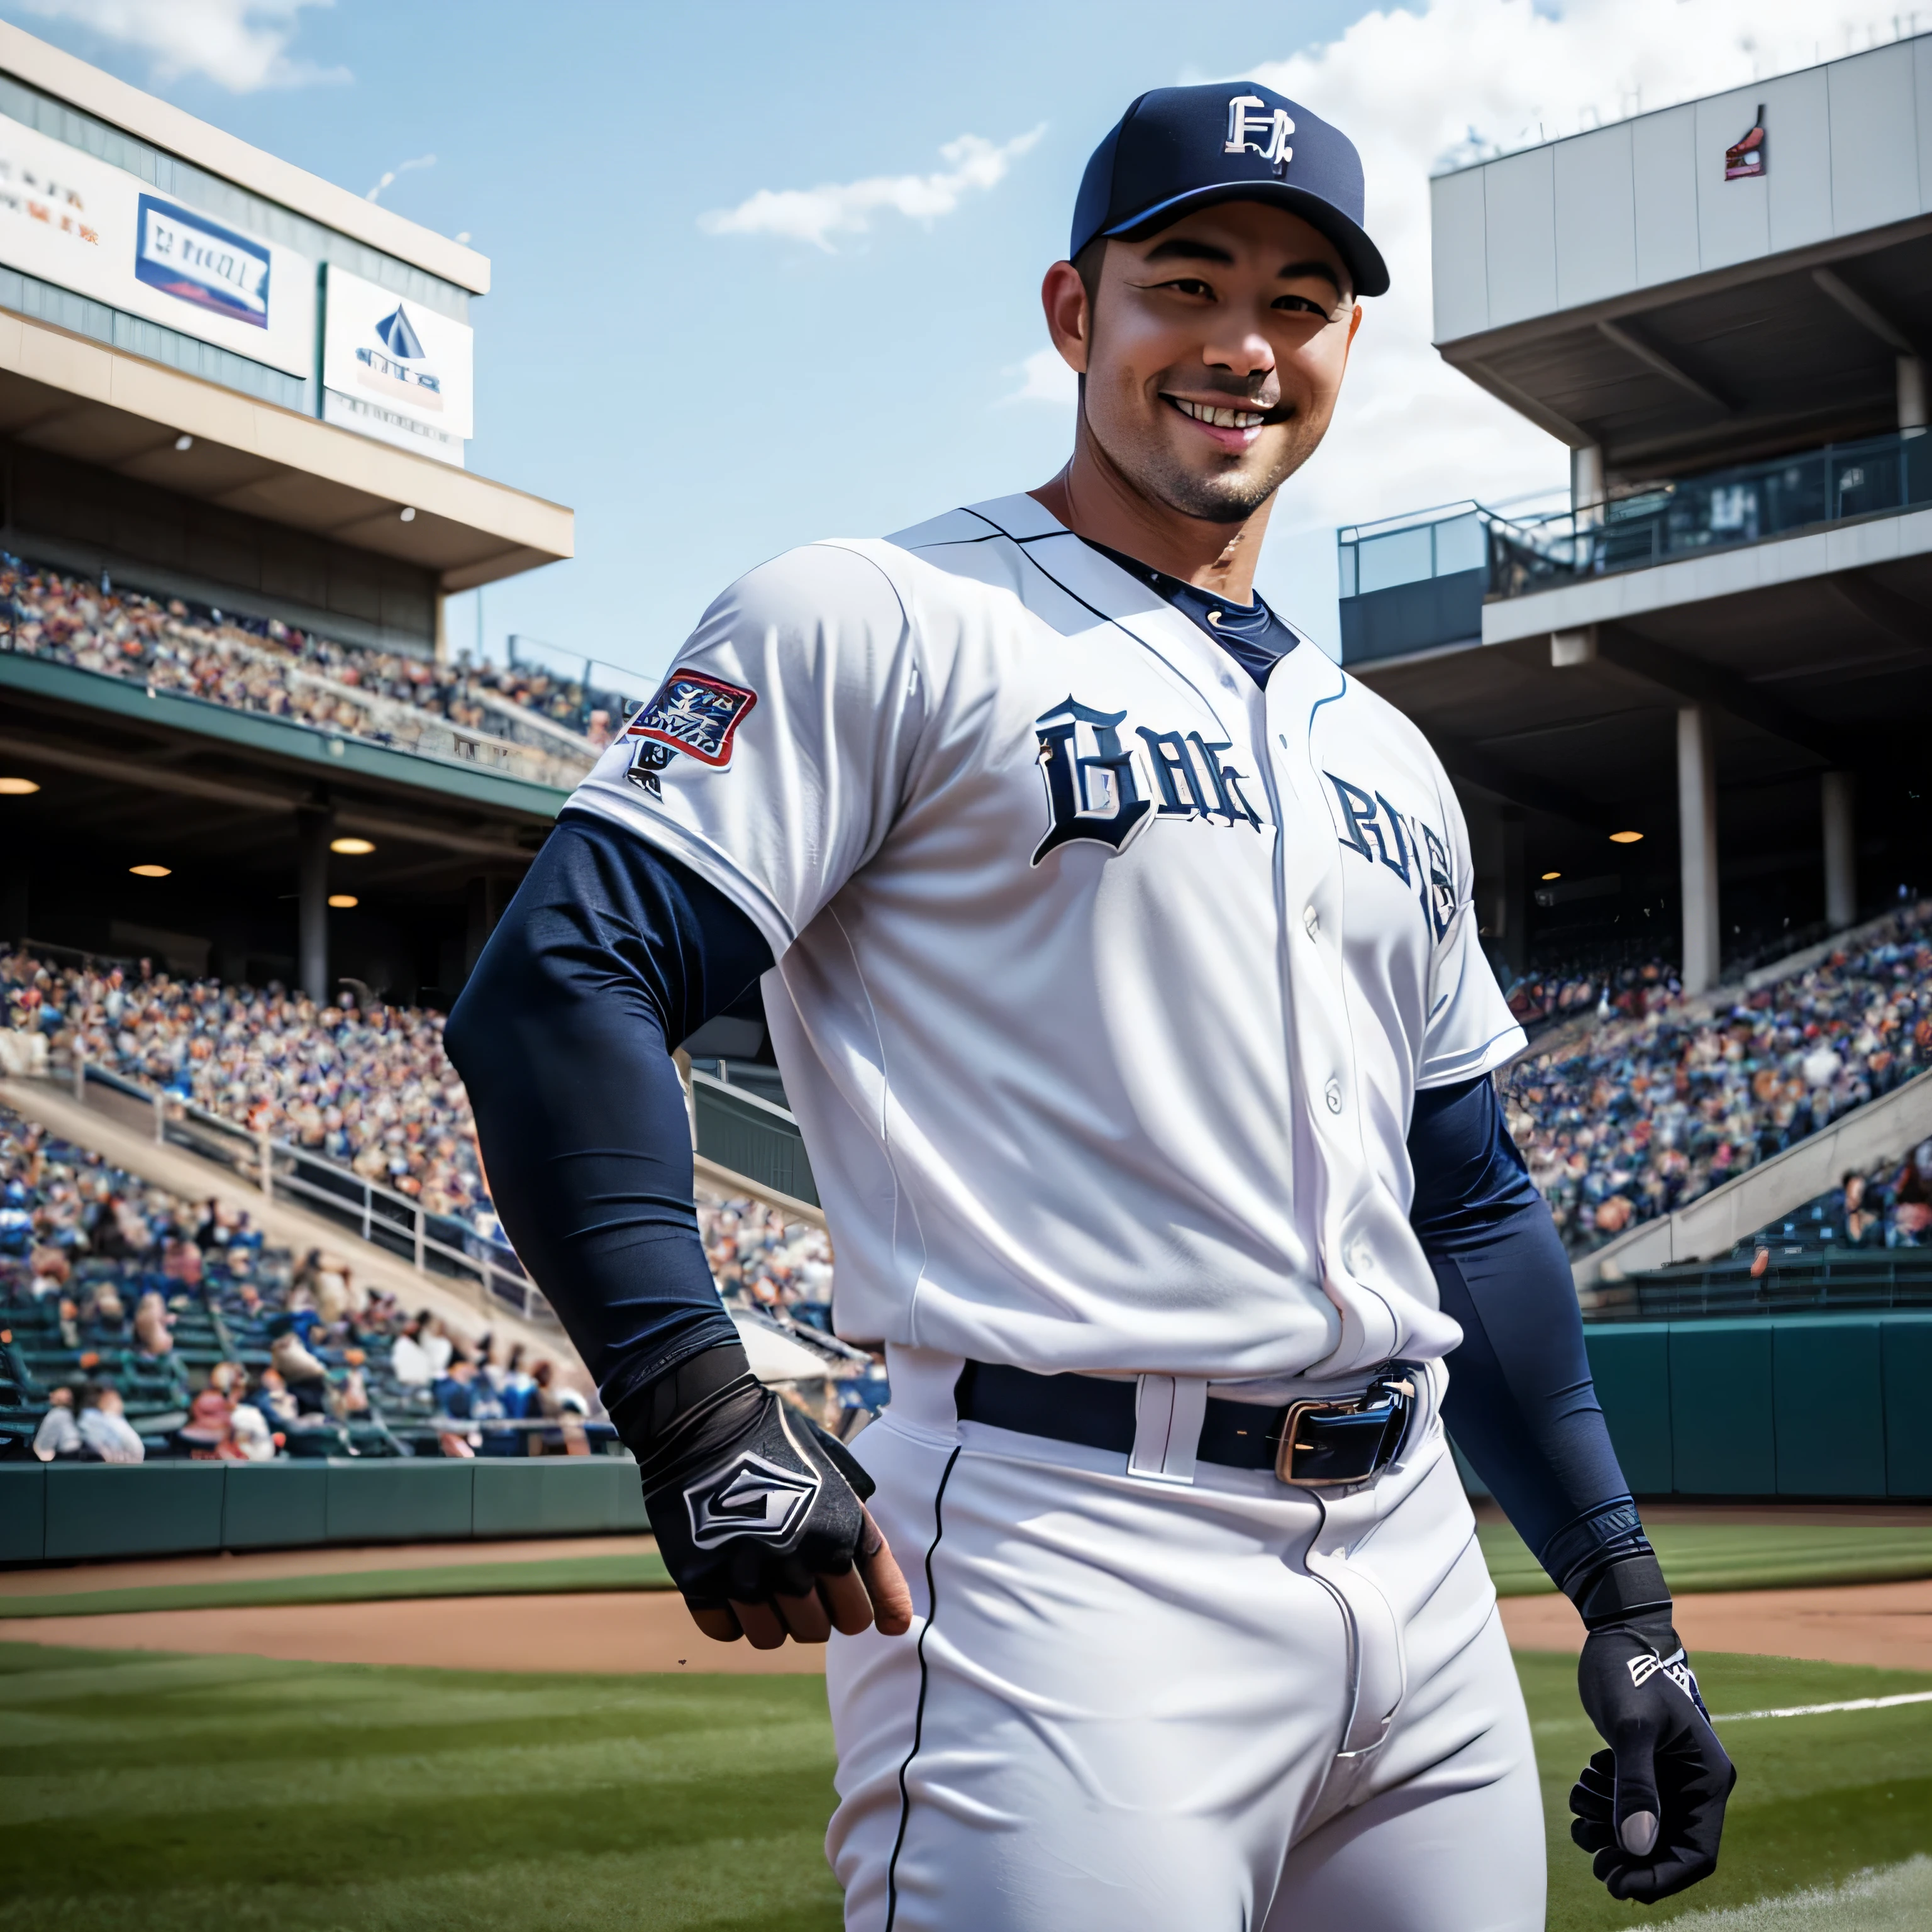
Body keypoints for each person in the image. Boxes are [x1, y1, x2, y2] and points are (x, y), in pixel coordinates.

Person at [449, 82, 1731, 1931]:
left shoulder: (1389, 755)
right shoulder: (875, 613)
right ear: (1075, 313)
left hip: (1415, 1571)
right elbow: (560, 978)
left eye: (1298, 298)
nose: (1242, 342)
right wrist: (693, 1404)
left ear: (1346, 342)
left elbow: (1471, 1204)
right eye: (1186, 280)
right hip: (1064, 1547)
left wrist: (1623, 1598)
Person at [76, 1382, 145, 1463]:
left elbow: (137, 1452)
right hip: (105, 1467)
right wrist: (110, 1415)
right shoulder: (91, 1417)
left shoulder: (116, 1419)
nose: (119, 1403)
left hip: (125, 1465)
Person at [33, 1384, 82, 1461]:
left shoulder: (68, 1413)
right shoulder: (57, 1414)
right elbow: (43, 1446)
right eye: (63, 1391)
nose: (68, 1395)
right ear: (52, 1396)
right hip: (67, 1459)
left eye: (68, 1392)